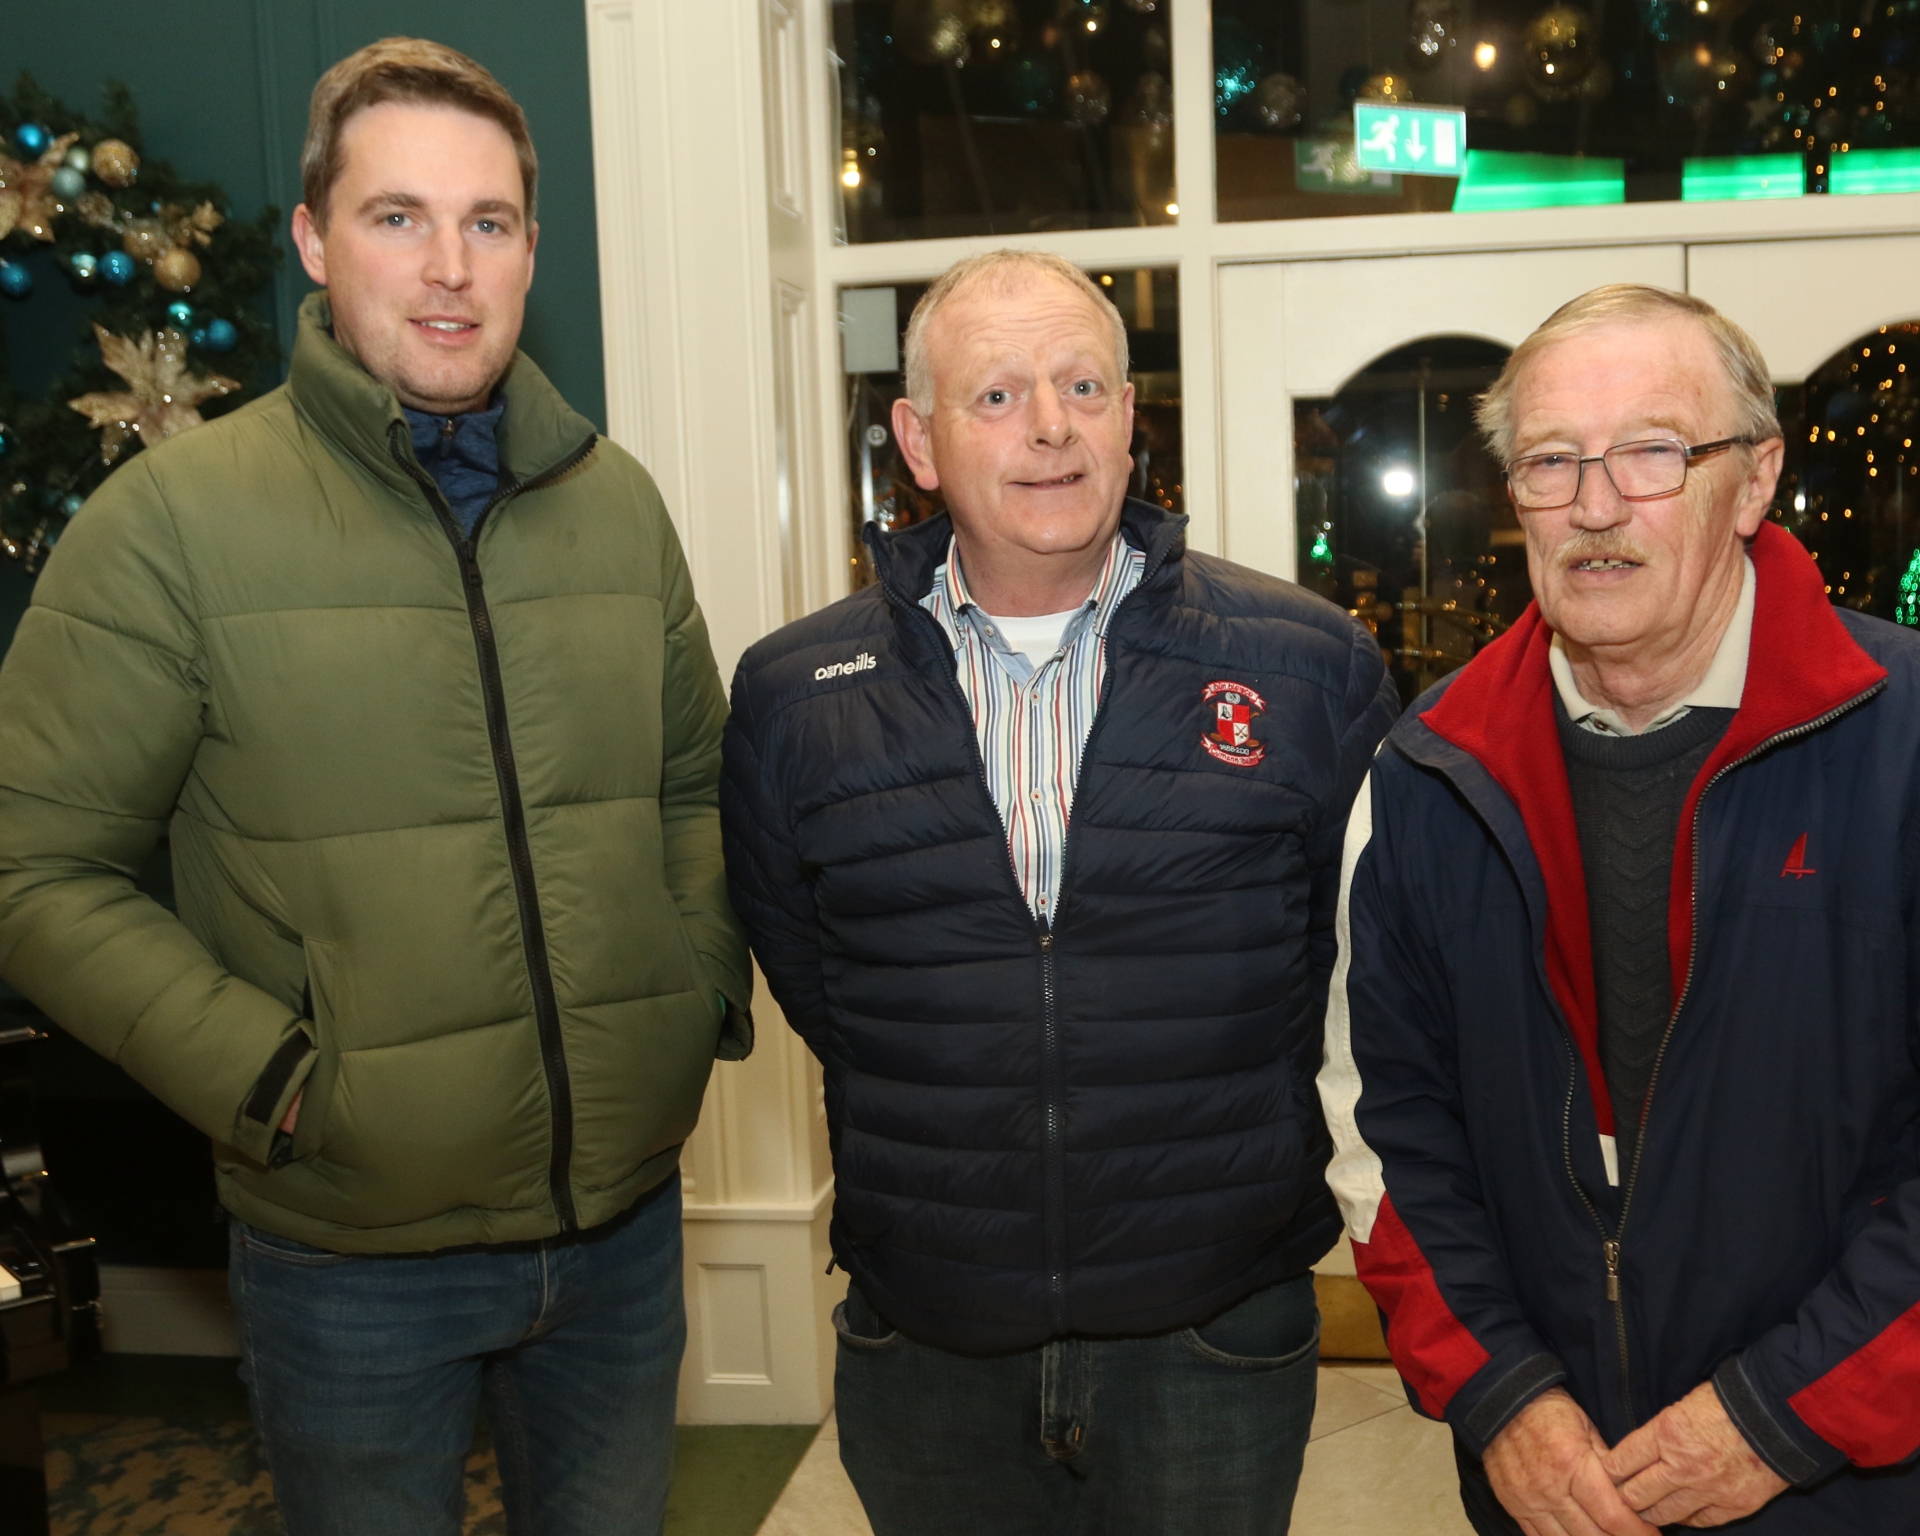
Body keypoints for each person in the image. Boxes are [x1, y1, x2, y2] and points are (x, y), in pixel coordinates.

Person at [0, 38, 749, 1536]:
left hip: (618, 1227)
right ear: (313, 243)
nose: (449, 267)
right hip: (349, 1255)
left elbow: (692, 788)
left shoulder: (616, 504)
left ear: (534, 248)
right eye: (397, 216)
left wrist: (691, 993)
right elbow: (34, 871)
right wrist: (271, 1085)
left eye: (487, 222)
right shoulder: (170, 525)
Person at [721, 249, 1398, 1535]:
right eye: (997, 396)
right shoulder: (793, 695)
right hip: (930, 1335)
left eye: (1085, 385)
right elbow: (816, 974)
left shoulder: (1308, 666)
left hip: (1211, 1332)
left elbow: (1349, 971)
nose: (1050, 427)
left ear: (1132, 419)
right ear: (917, 440)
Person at [1320, 284, 1920, 1535]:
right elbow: (1389, 1142)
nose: (1596, 506)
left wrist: (1772, 1418)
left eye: (1653, 451)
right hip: (1553, 1484)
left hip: (1853, 1476)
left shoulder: (1903, 742)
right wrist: (1502, 1399)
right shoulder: (1428, 775)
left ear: (1754, 482)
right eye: (1551, 461)